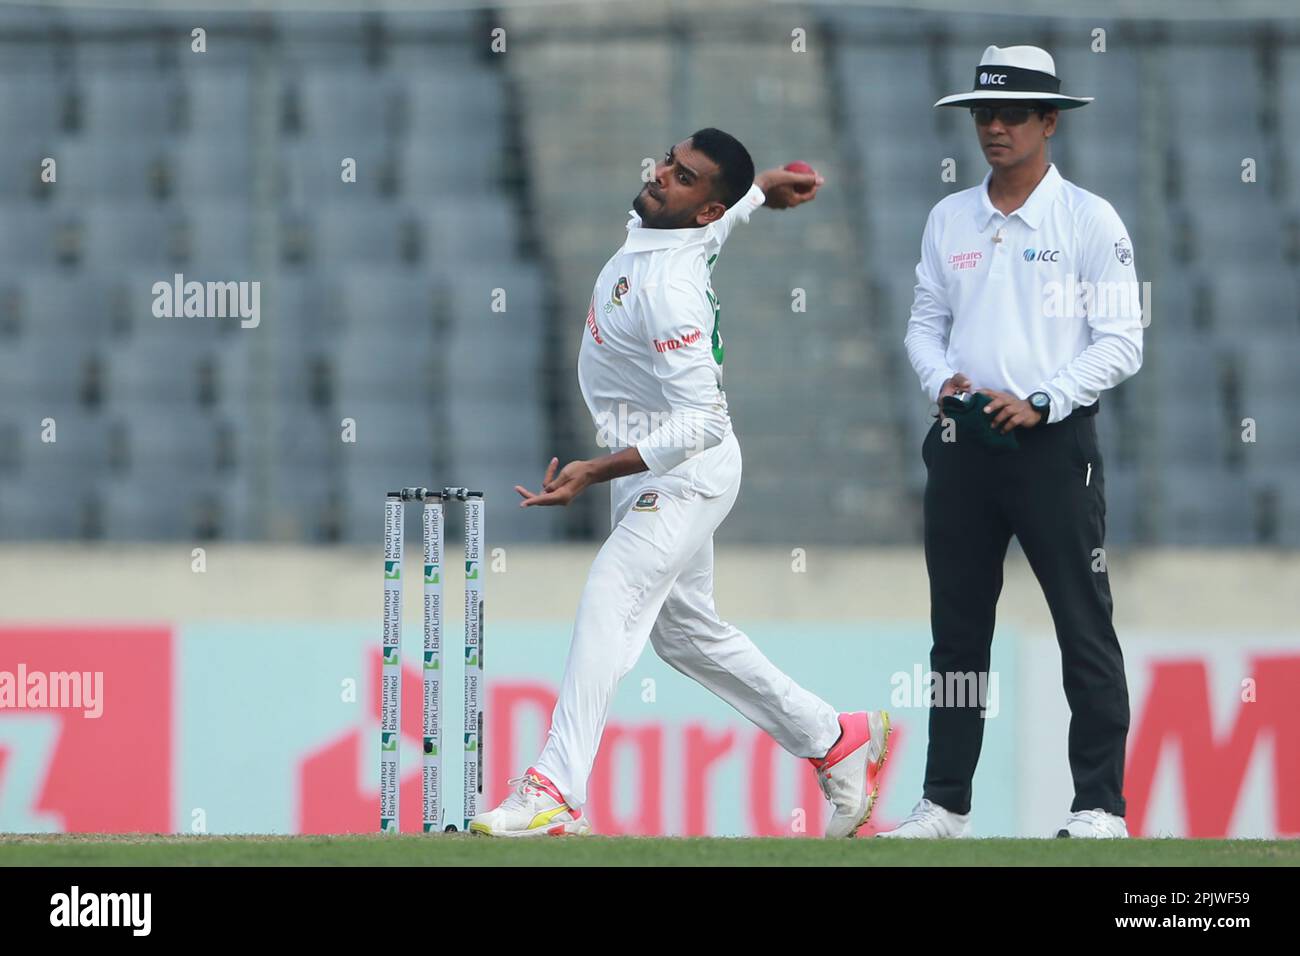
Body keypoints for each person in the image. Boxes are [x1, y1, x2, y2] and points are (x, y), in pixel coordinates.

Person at [470, 128, 891, 838]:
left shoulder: (670, 289)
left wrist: (595, 469)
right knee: (687, 637)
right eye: (670, 160)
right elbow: (716, 227)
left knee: (610, 592)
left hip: (685, 471)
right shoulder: (674, 230)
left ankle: (554, 790)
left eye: (685, 177)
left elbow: (701, 422)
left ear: (700, 208)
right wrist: (758, 194)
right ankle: (834, 737)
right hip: (655, 471)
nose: (663, 174)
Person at [879, 47, 1143, 839]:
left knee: (1081, 623)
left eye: (1011, 115)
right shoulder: (950, 217)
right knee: (956, 632)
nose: (993, 128)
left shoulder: (1088, 219)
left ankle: (1099, 806)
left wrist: (1043, 400)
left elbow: (1122, 341)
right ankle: (944, 804)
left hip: (1054, 445)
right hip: (964, 443)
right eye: (983, 115)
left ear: (1048, 122)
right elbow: (924, 323)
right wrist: (942, 382)